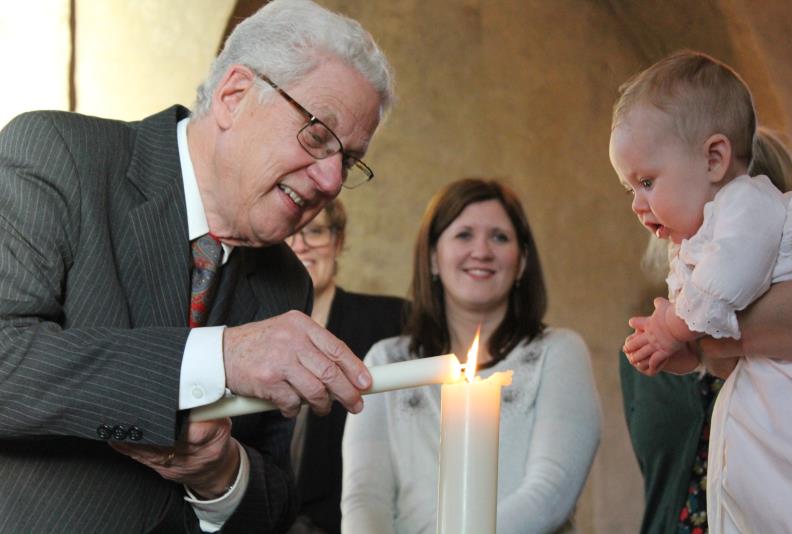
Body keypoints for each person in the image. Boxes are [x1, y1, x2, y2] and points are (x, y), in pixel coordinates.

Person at [0, 0, 394, 532]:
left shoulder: (287, 282)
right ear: (234, 96)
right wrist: (219, 357)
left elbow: (275, 504)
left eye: (347, 160)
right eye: (318, 135)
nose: (329, 180)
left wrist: (221, 477)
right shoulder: (58, 153)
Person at [340, 178, 601, 534]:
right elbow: (364, 499)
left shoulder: (558, 352)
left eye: (500, 237)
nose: (482, 251)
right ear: (433, 257)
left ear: (522, 261)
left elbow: (549, 493)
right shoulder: (387, 361)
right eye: (463, 235)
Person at [609, 50, 792, 533]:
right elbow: (721, 347)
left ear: (715, 158)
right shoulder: (697, 243)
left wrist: (675, 327)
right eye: (629, 189)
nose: (636, 204)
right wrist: (686, 354)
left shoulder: (749, 204)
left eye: (647, 182)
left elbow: (729, 281)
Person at [285, 199, 407, 534]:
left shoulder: (390, 321)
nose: (301, 245)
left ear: (338, 242)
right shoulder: (243, 330)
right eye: (291, 233)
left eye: (315, 231)